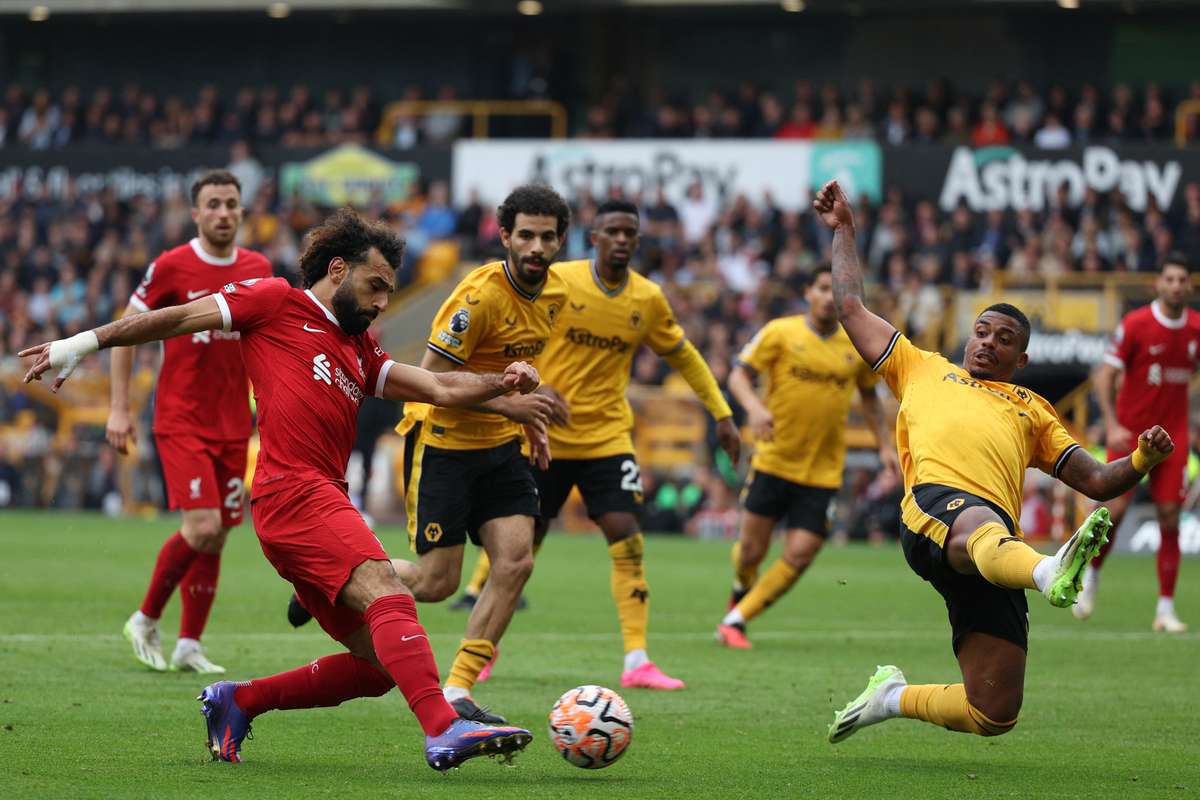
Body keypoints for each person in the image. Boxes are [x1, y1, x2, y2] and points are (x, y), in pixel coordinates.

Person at [20, 209, 535, 770]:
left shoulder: (360, 351)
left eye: (389, 291)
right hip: (294, 492)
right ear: (338, 270)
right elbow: (178, 318)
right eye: (376, 286)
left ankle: (240, 700)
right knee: (386, 584)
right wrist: (83, 342)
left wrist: (500, 381)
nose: (383, 302)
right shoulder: (276, 301)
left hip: (309, 505)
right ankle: (443, 726)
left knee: (378, 667)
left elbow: (437, 384)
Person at [809, 181, 1175, 743]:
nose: (987, 343)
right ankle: (1049, 571)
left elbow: (1099, 481)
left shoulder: (1033, 410)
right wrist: (845, 232)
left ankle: (891, 697)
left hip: (995, 545)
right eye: (981, 332)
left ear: (1021, 358)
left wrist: (1144, 457)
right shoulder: (921, 366)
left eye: (1003, 339)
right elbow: (851, 306)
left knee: (994, 712)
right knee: (981, 523)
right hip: (936, 512)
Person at [449, 199, 742, 689]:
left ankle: (637, 661)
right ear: (594, 237)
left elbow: (685, 355)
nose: (623, 239)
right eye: (613, 231)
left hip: (608, 436)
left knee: (626, 531)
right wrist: (533, 389)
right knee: (522, 548)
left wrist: (723, 413)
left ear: (638, 239)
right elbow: (516, 340)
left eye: (631, 231)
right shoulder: (559, 282)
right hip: (546, 433)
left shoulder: (647, 299)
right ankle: (485, 650)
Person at [393, 184, 568, 723]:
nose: (537, 247)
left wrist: (529, 420)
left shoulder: (555, 297)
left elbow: (518, 376)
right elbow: (431, 378)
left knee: (516, 560)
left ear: (560, 240)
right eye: (527, 236)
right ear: (506, 236)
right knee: (436, 582)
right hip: (444, 445)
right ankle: (336, 578)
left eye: (547, 236)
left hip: (500, 451)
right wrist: (511, 405)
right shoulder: (479, 296)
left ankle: (458, 690)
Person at [109, 170, 272, 674]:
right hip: (181, 419)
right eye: (214, 204)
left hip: (232, 424)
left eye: (231, 204)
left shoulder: (258, 266)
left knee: (219, 532)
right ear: (196, 213)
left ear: (242, 211)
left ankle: (189, 644)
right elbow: (124, 331)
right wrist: (119, 407)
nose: (223, 212)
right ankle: (145, 616)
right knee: (201, 526)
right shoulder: (171, 266)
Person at [716, 265, 898, 649]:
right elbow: (737, 375)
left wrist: (884, 444)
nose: (828, 298)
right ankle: (739, 591)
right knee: (750, 553)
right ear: (807, 292)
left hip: (822, 471)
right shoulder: (781, 332)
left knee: (800, 554)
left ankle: (736, 619)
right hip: (773, 460)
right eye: (820, 289)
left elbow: (868, 396)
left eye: (834, 291)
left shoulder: (854, 346)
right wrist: (754, 408)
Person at [1077, 253, 1199, 632]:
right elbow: (1104, 376)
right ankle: (1092, 576)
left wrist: (1190, 420)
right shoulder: (1136, 324)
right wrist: (1112, 424)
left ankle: (1164, 609)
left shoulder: (1196, 328)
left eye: (1182, 280)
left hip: (1173, 439)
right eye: (1170, 279)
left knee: (1169, 518)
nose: (1176, 285)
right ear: (1158, 284)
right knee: (1114, 513)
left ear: (1189, 286)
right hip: (1132, 435)